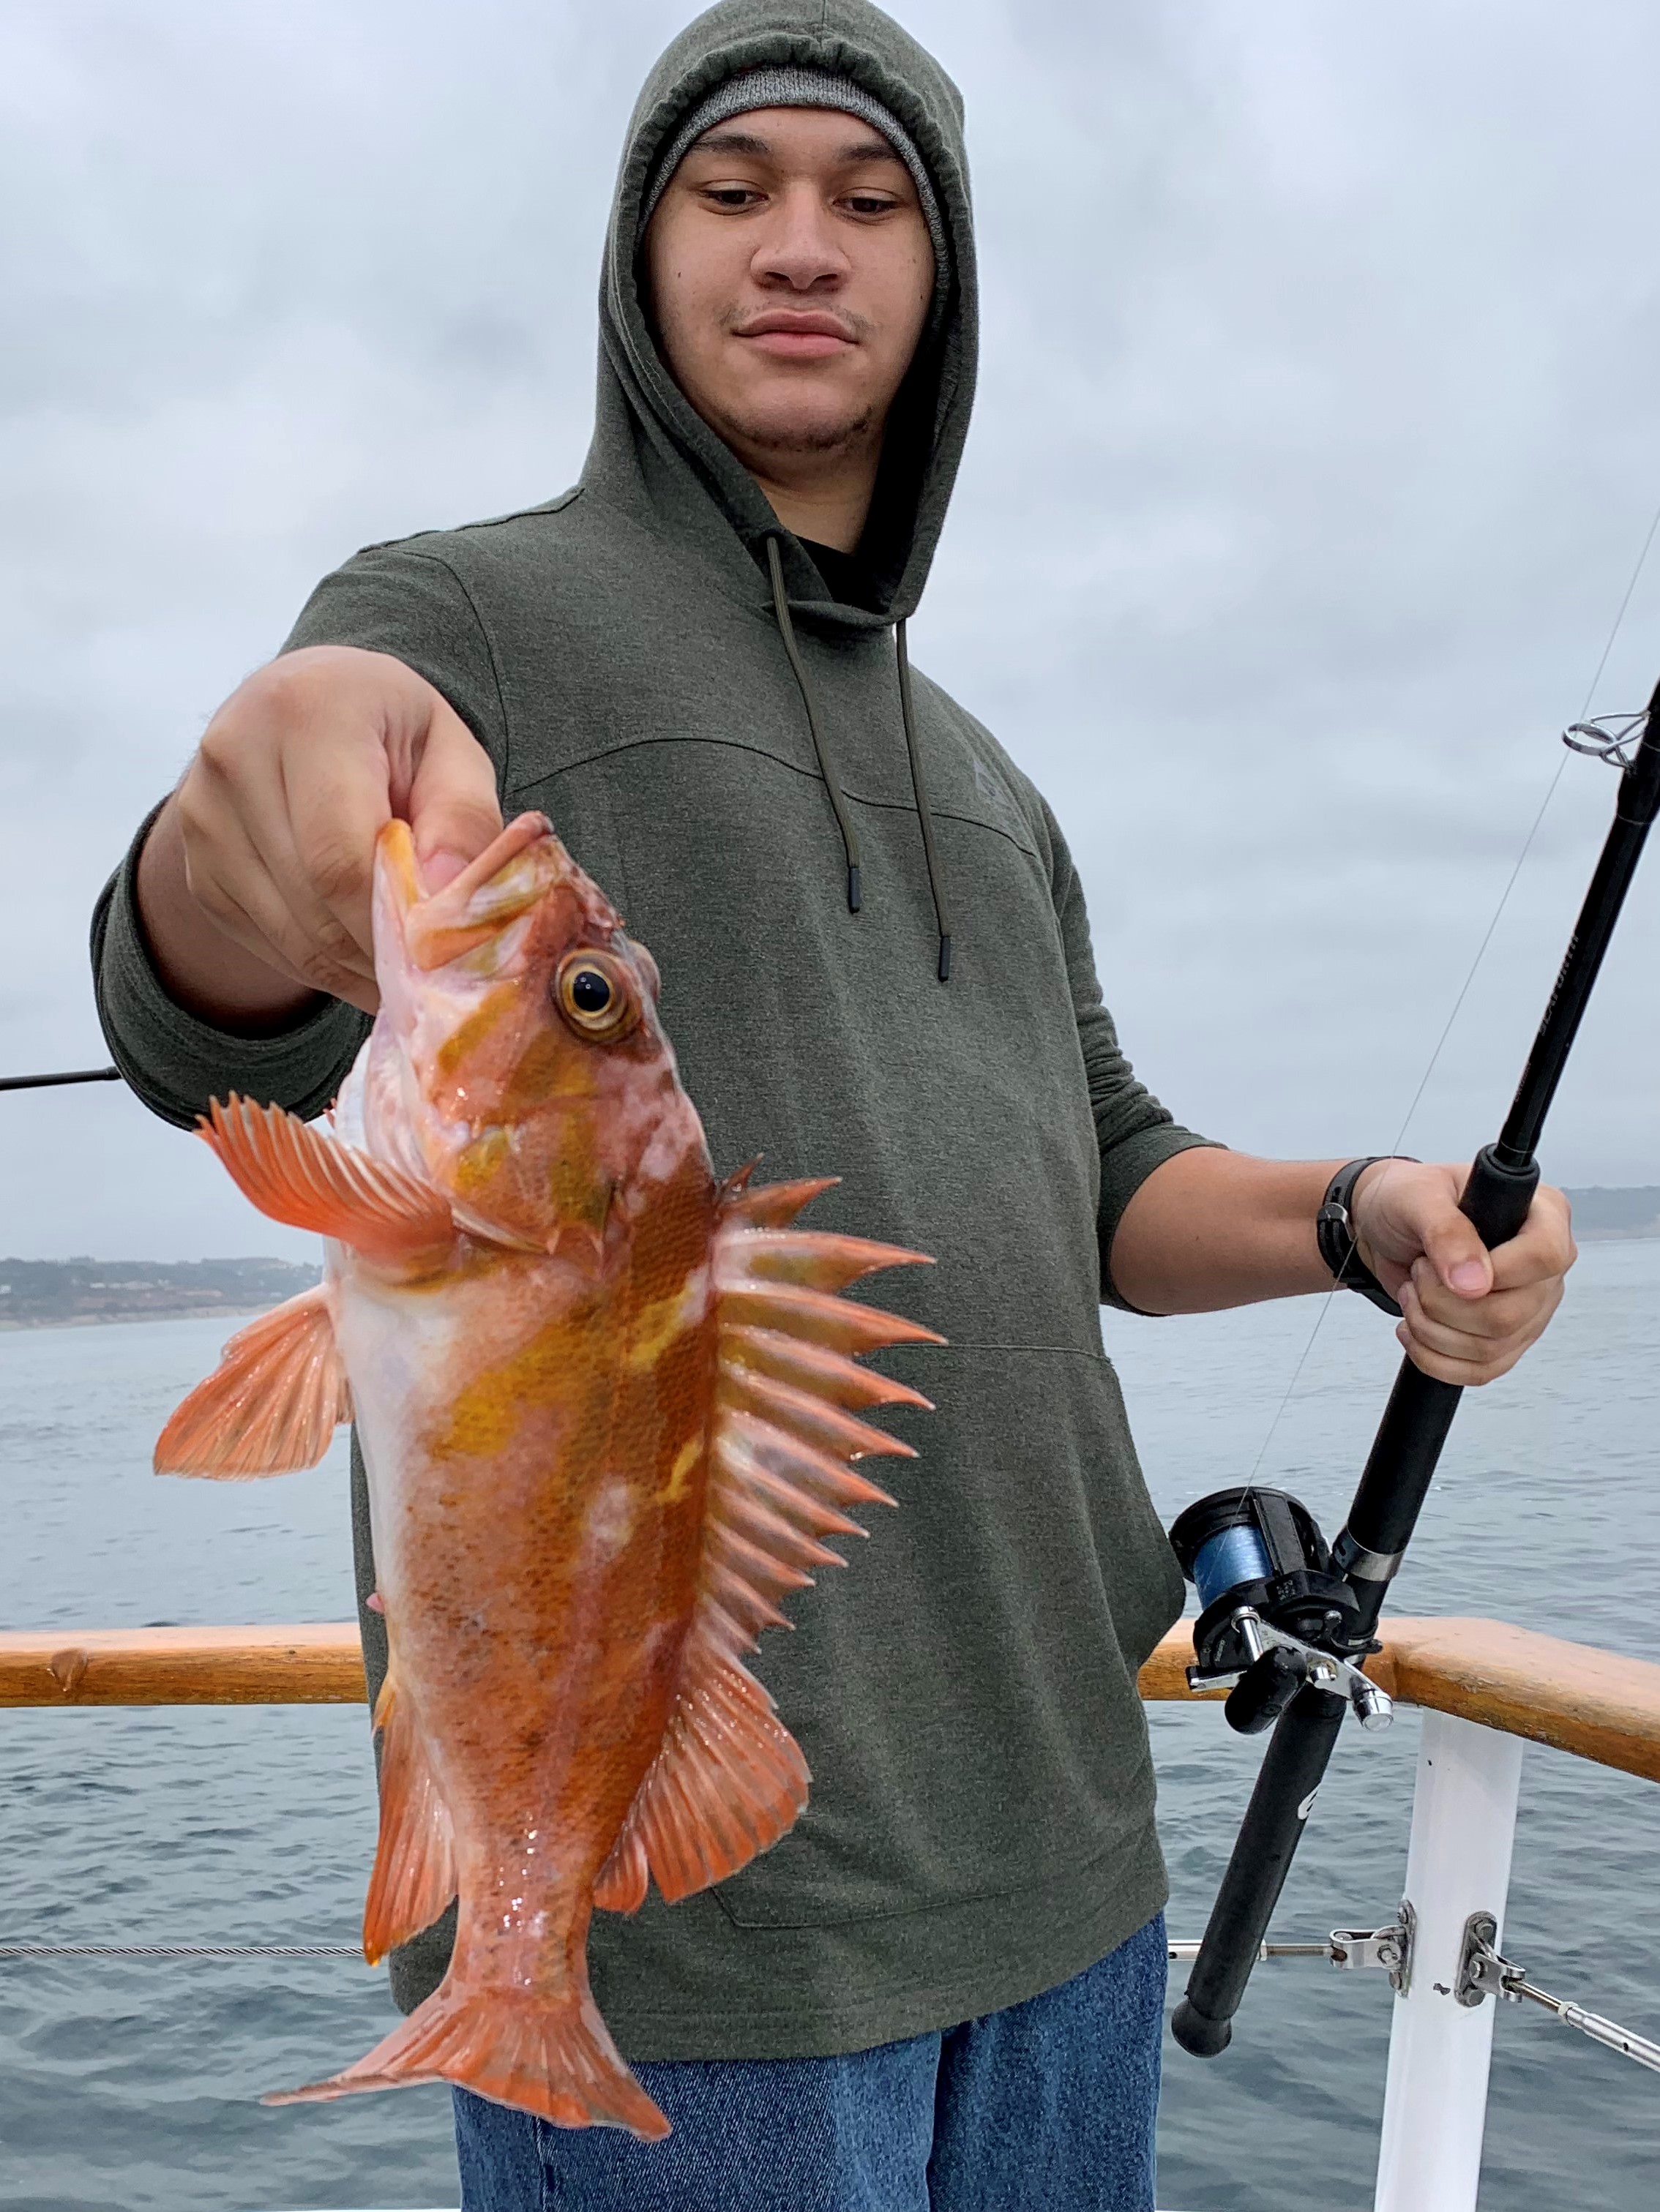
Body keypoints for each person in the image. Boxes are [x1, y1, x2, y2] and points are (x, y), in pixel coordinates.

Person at [91, 4, 1576, 2207]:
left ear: (940, 279)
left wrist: (1368, 1211)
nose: (800, 244)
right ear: (638, 248)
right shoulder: (455, 616)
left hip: (1067, 1832)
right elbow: (205, 1007)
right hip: (710, 1927)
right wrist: (238, 834)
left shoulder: (985, 772)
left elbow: (1107, 1167)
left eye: (867, 202)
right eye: (732, 190)